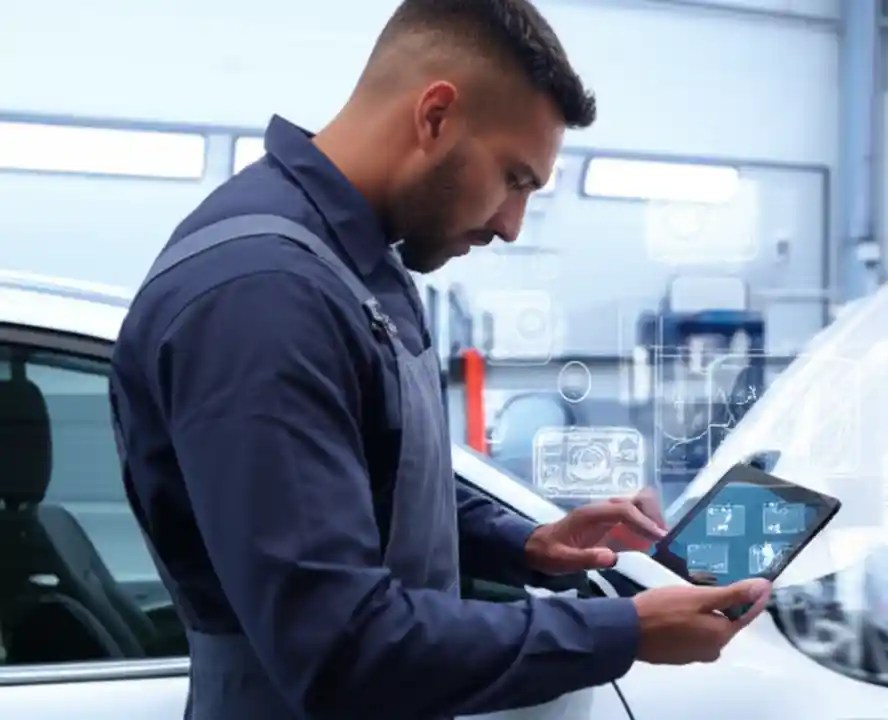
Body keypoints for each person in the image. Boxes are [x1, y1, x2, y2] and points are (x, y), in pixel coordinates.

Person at [107, 1, 772, 719]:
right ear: (435, 116)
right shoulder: (263, 297)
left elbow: (368, 476)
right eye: (515, 179)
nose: (512, 225)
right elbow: (343, 650)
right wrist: (622, 630)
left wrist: (528, 542)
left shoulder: (356, 263)